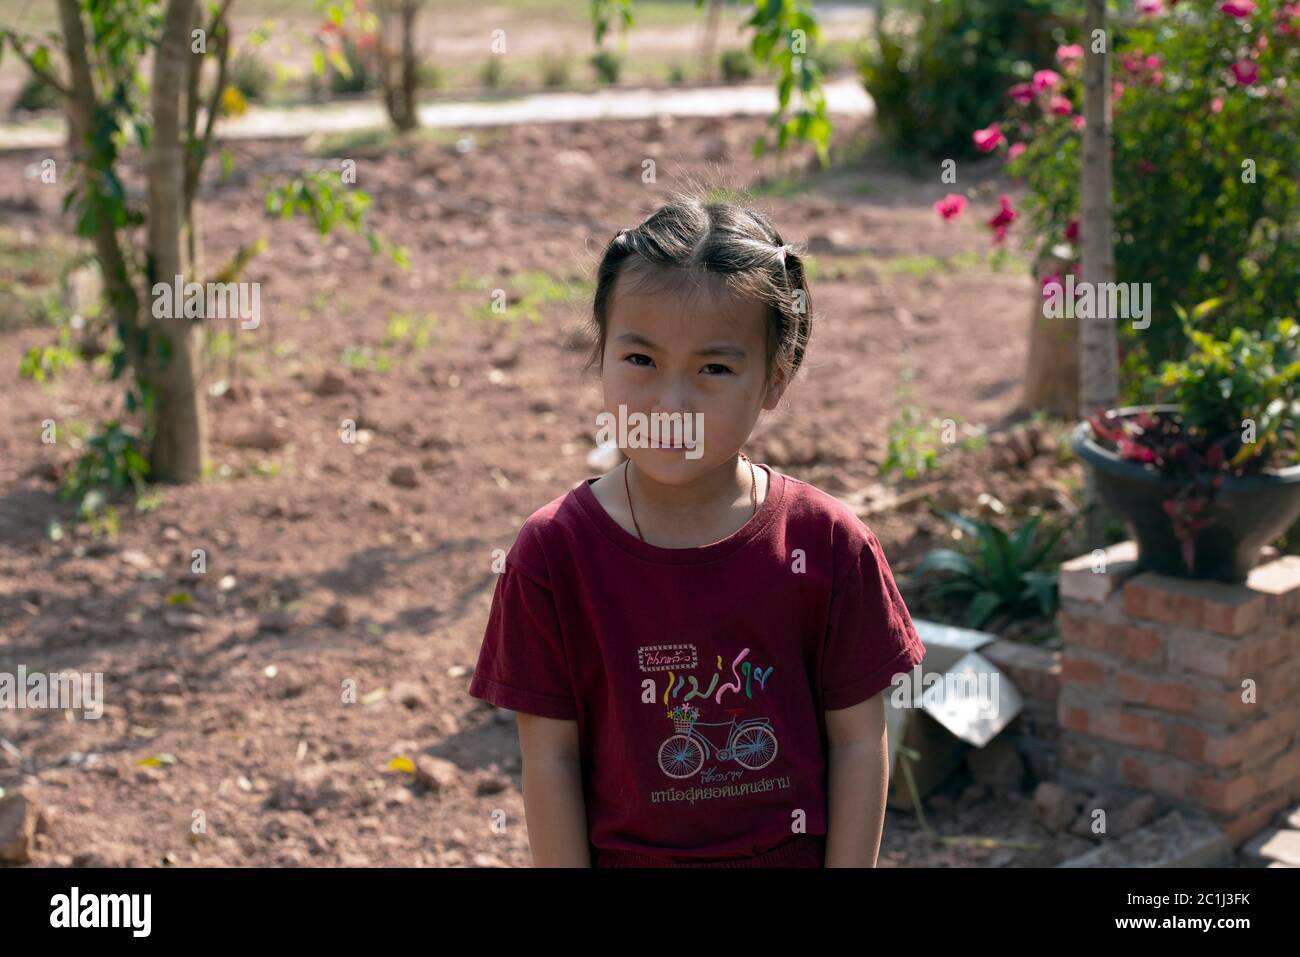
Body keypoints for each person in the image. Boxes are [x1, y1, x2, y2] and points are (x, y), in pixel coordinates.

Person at [467, 193, 926, 867]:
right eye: (641, 360)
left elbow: (860, 742)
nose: (670, 404)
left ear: (775, 376)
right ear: (601, 355)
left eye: (714, 368)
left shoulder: (828, 545)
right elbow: (551, 762)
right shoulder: (553, 555)